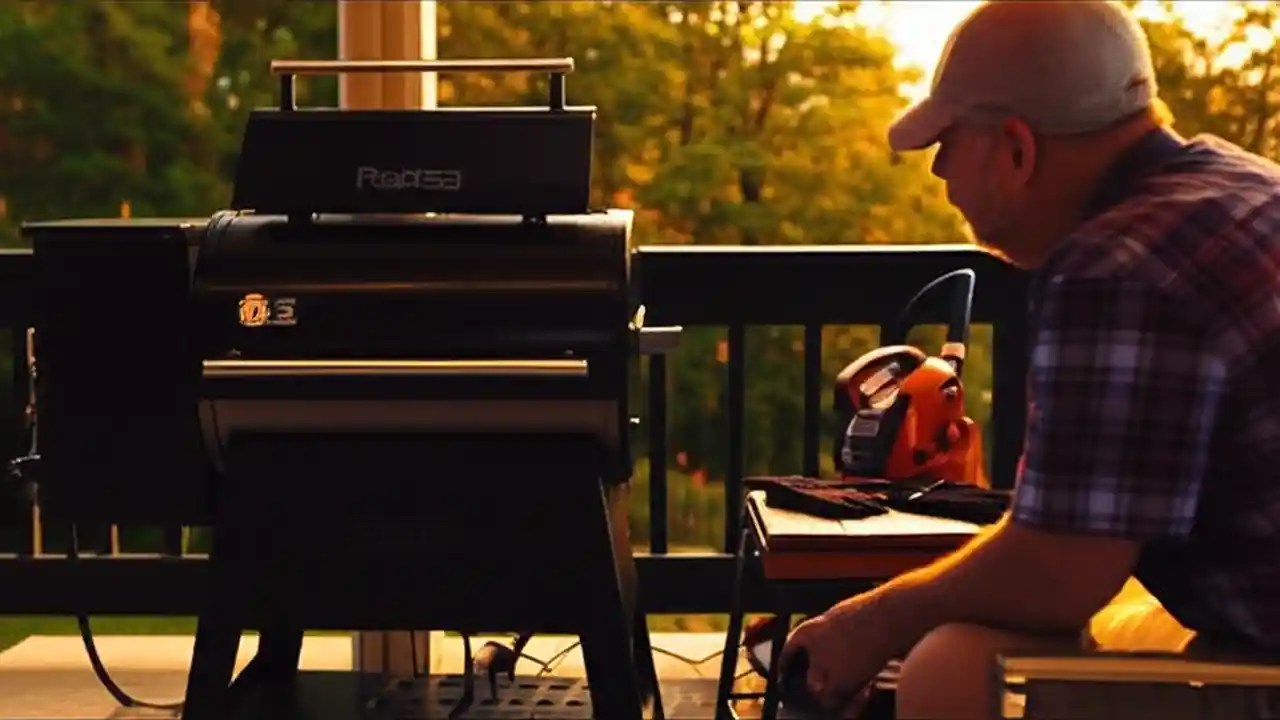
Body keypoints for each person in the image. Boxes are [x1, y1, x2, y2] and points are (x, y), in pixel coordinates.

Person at [777, 1, 1280, 718]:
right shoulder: (1243, 184)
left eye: (948, 142)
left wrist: (871, 623)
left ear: (1017, 149)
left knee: (951, 671)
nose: (939, 171)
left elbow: (1060, 569)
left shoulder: (1118, 266)